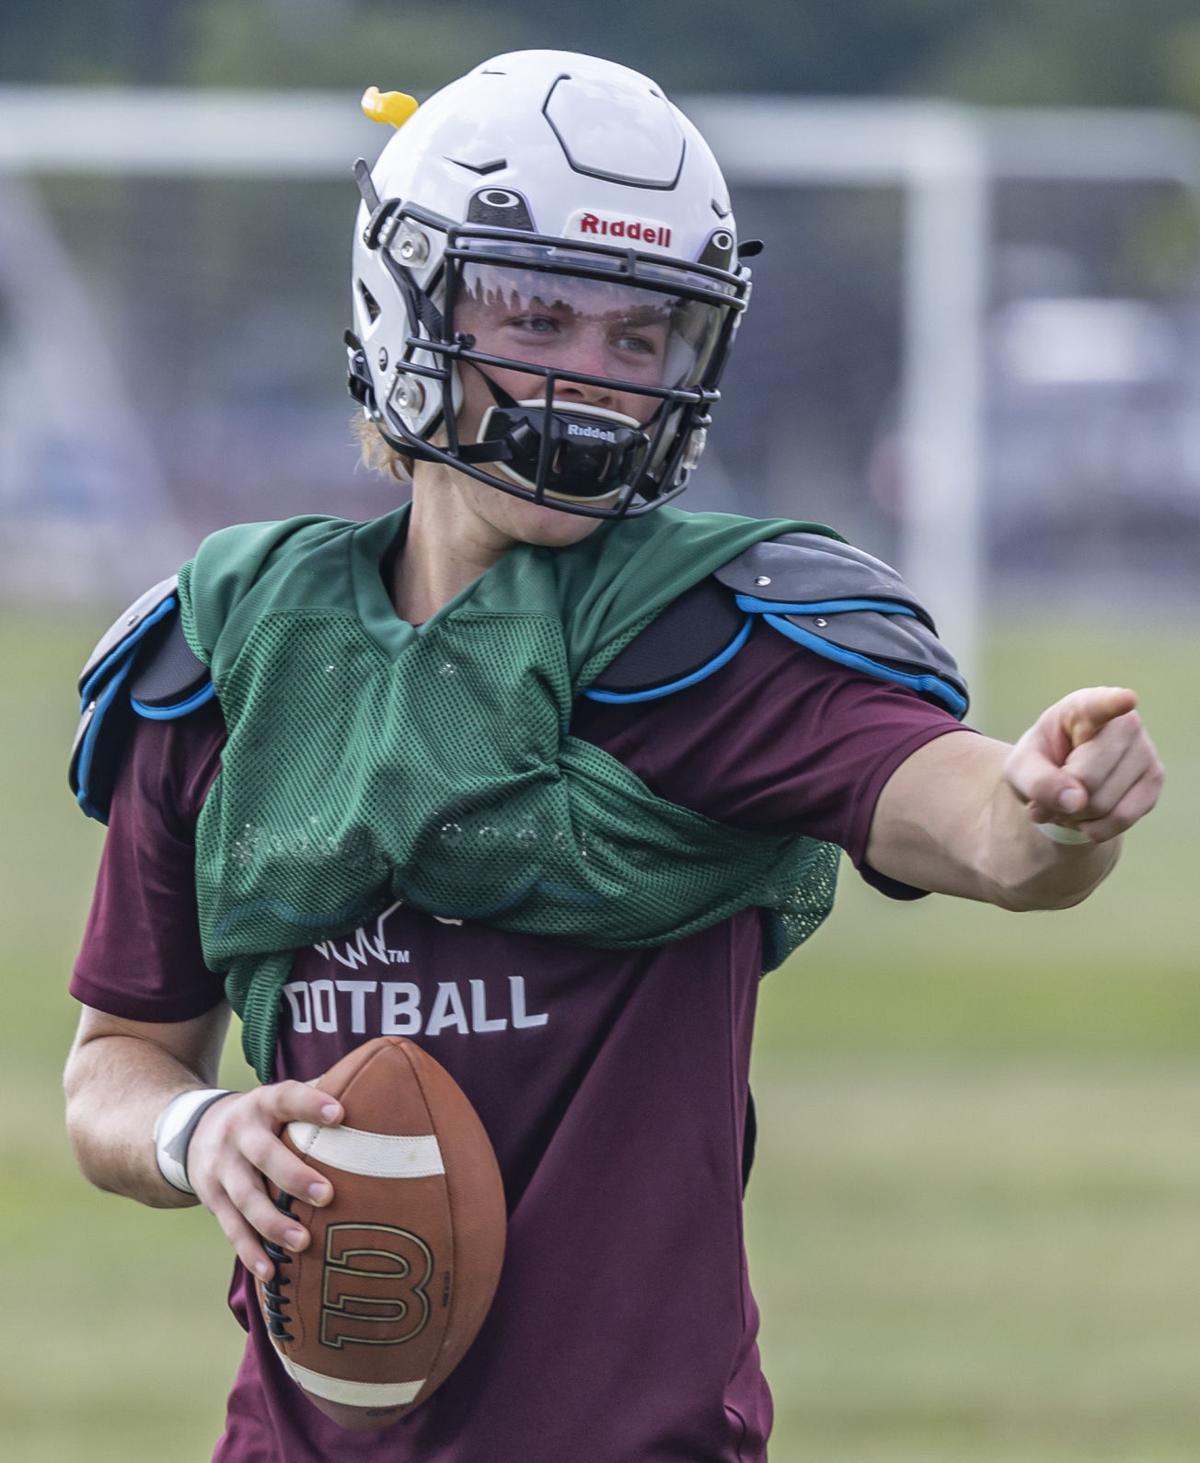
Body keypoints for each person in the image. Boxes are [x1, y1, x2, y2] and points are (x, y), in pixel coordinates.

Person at [63, 50, 1163, 1463]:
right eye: (538, 316)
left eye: (639, 338)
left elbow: (970, 822)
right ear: (409, 301)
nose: (589, 376)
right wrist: (199, 1133)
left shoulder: (706, 636)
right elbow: (117, 1066)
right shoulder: (236, 652)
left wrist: (1050, 812)